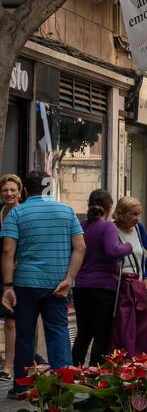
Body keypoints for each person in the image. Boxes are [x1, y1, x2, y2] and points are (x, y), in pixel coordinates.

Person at [1, 170, 86, 398]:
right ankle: (63, 384)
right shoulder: (67, 211)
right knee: (58, 332)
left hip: (25, 283)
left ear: (25, 190)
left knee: (25, 335)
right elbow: (80, 247)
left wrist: (7, 286)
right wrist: (69, 279)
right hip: (57, 284)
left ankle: (23, 386)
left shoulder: (18, 212)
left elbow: (8, 250)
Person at [71, 190, 133, 367]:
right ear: (109, 207)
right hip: (103, 287)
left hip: (81, 286)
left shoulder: (82, 226)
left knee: (84, 332)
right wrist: (127, 246)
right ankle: (95, 372)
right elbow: (113, 252)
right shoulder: (108, 227)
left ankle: (74, 368)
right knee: (101, 333)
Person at [110, 196, 147, 357]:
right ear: (120, 214)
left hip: (139, 287)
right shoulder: (112, 230)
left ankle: (140, 361)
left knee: (142, 328)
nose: (137, 218)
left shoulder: (139, 229)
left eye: (138, 214)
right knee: (124, 328)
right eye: (133, 214)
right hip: (120, 288)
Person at [0, 173, 25, 381]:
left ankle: (9, 366)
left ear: (19, 192)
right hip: (1, 271)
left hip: (17, 273)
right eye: (5, 190)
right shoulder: (0, 213)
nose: (8, 193)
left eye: (12, 190)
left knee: (12, 320)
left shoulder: (23, 213)